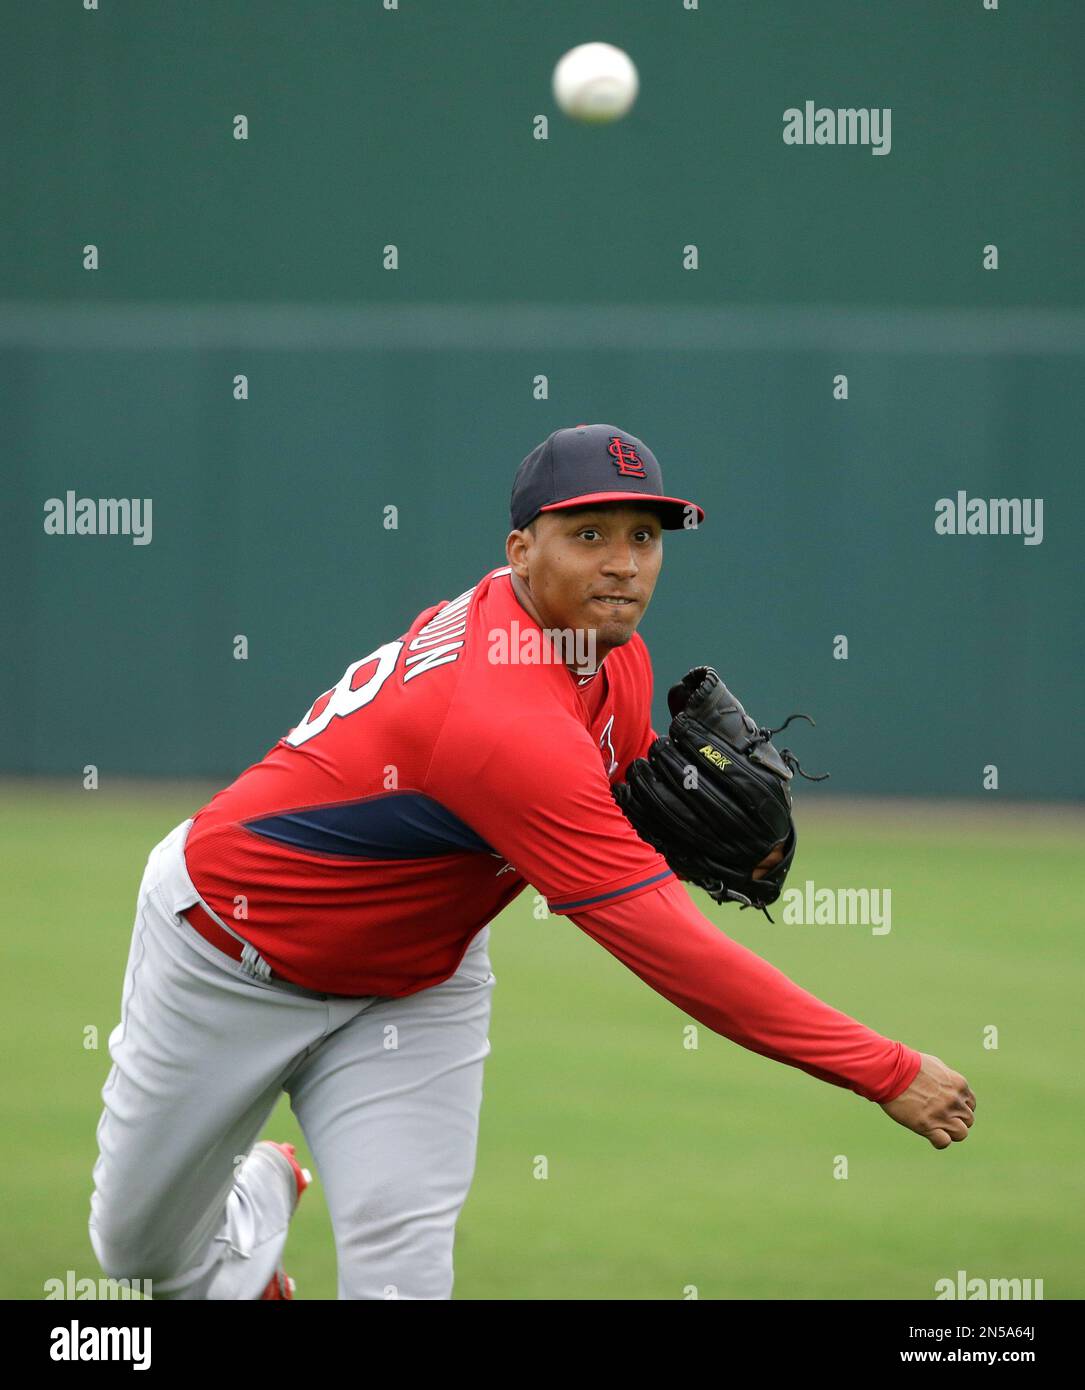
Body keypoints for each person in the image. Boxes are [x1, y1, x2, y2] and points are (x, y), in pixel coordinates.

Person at [88, 423, 975, 1301]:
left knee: (401, 1272)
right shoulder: (499, 719)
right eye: (589, 535)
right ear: (520, 549)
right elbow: (666, 942)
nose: (624, 563)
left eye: (644, 537)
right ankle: (259, 1197)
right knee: (137, 1255)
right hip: (225, 954)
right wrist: (884, 1070)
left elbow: (620, 809)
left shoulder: (607, 657)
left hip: (417, 984)